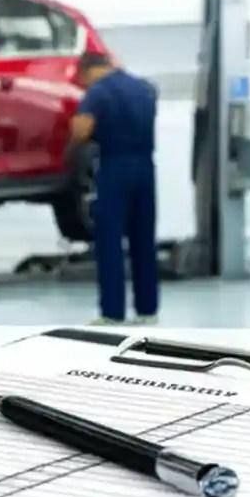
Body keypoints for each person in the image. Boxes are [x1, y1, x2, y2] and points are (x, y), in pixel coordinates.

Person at [70, 51, 159, 326]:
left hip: (114, 168)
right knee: (143, 239)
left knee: (109, 242)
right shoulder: (143, 88)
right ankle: (147, 310)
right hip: (145, 169)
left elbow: (82, 129)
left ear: (88, 72)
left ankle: (112, 312)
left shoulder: (98, 92)